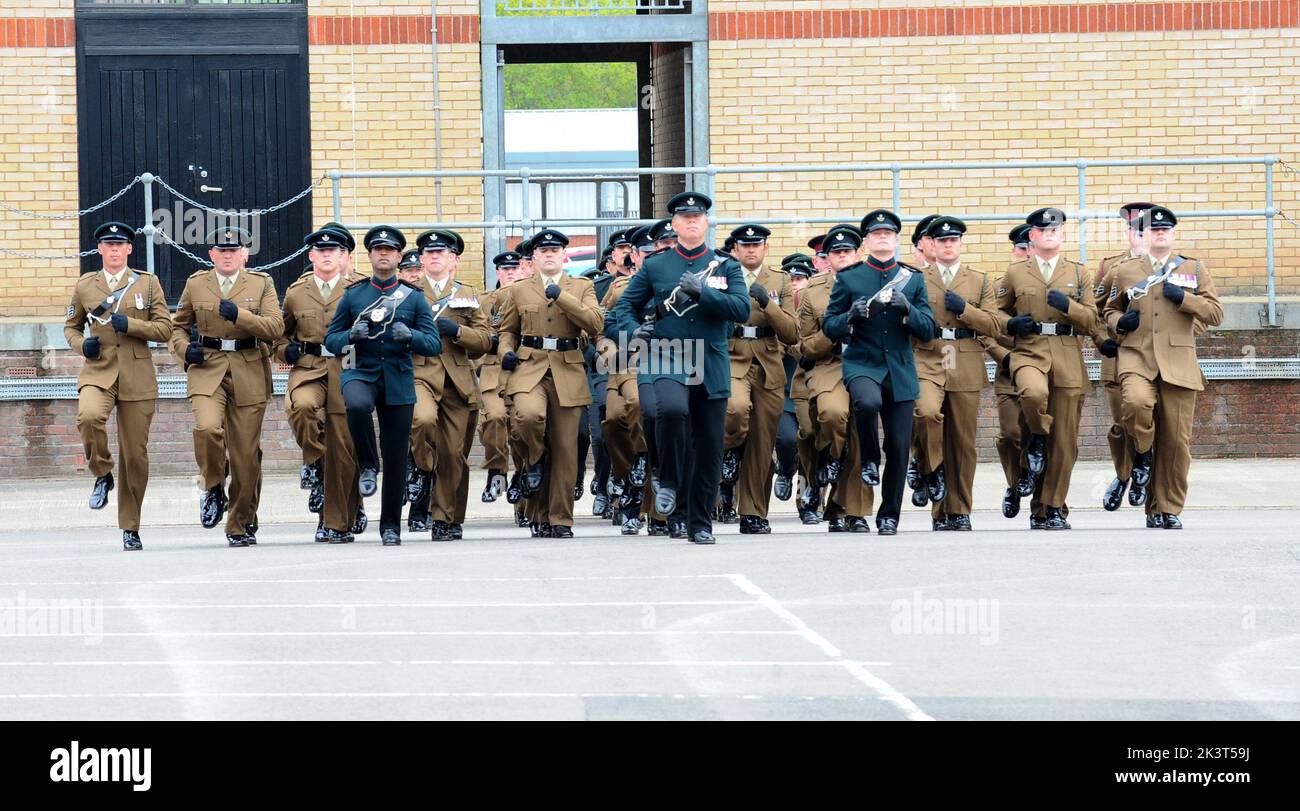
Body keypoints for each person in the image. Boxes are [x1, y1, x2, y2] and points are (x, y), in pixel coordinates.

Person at [608, 192, 750, 544]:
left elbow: (741, 310)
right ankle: (668, 479)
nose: (691, 221)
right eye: (684, 217)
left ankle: (697, 521)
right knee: (671, 410)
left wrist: (704, 293)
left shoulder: (725, 265)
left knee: (708, 444)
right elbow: (623, 308)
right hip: (666, 355)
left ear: (705, 223)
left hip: (710, 359)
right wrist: (631, 331)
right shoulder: (657, 266)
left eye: (697, 216)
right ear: (674, 224)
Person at [1104, 206, 1223, 529]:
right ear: (1143, 234)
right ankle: (1142, 454)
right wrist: (1119, 322)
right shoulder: (1125, 270)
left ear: (1173, 234)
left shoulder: (1193, 268)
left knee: (1175, 442)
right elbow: (1108, 311)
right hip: (1136, 355)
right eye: (1153, 230)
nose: (1159, 233)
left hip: (1179, 362)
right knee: (1135, 403)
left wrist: (1185, 300)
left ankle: (1164, 509)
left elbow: (1215, 313)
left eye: (1165, 230)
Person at [324, 226, 441, 546]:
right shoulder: (353, 295)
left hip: (397, 375)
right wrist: (350, 335)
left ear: (399, 256)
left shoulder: (414, 298)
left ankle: (390, 526)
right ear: (370, 255)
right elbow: (330, 341)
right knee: (357, 405)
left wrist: (412, 337)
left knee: (396, 453)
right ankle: (366, 464)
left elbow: (433, 345)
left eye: (390, 249)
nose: (384, 253)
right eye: (378, 249)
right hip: (358, 369)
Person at [822, 209, 936, 536]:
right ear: (867, 241)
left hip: (899, 369)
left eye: (888, 233)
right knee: (866, 403)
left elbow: (928, 329)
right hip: (862, 363)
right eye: (876, 233)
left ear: (896, 239)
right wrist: (849, 318)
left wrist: (908, 309)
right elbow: (830, 326)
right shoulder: (850, 277)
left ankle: (889, 515)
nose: (882, 237)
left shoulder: (912, 279)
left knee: (900, 447)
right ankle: (870, 458)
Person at [170, 226, 284, 547]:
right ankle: (213, 485)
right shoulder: (196, 284)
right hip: (208, 366)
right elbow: (177, 328)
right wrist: (184, 349)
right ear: (212, 255)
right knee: (207, 428)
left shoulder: (262, 284)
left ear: (245, 254)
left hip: (248, 367)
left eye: (235, 250)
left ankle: (240, 522)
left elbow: (276, 327)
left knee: (246, 456)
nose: (228, 255)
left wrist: (241, 316)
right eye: (222, 250)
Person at [64, 221, 172, 551]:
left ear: (129, 249)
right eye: (108, 244)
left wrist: (133, 325)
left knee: (135, 455)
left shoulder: (147, 283)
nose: (114, 249)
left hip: (137, 375)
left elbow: (165, 329)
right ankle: (102, 472)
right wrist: (83, 346)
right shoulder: (86, 285)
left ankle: (131, 526)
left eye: (120, 244)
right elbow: (71, 327)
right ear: (99, 249)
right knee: (88, 417)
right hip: (99, 371)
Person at [994, 207, 1102, 531]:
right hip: (1030, 350)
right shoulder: (1015, 274)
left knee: (1065, 442)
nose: (1050, 233)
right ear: (1033, 235)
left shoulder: (1080, 273)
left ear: (1063, 234)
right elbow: (993, 318)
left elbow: (1092, 321)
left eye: (1056, 229)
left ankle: (1049, 509)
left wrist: (1068, 306)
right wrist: (1011, 323)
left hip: (1068, 357)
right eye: (1043, 229)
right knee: (1032, 394)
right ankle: (1036, 440)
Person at [495, 228, 604, 538]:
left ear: (564, 255)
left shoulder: (581, 287)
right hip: (530, 367)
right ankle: (533, 460)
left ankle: (557, 519)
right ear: (534, 258)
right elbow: (507, 332)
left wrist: (562, 296)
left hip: (567, 370)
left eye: (555, 250)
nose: (549, 255)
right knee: (528, 419)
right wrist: (505, 352)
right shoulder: (519, 290)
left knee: (566, 449)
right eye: (543, 251)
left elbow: (596, 323)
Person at [277, 225, 367, 543]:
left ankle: (334, 523)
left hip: (349, 366)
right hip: (309, 367)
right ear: (311, 256)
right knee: (300, 406)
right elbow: (282, 333)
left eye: (334, 251)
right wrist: (283, 349)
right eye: (321, 251)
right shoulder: (296, 291)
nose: (327, 255)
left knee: (342, 447)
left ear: (344, 256)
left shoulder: (361, 290)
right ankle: (313, 461)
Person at [910, 216, 1002, 531]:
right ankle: (928, 469)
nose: (948, 245)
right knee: (925, 413)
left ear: (960, 245)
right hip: (929, 355)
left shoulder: (979, 279)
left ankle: (956, 510)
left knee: (962, 442)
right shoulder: (916, 279)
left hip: (963, 357)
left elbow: (994, 325)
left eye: (953, 240)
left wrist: (965, 309)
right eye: (941, 241)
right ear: (931, 245)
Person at [408, 228, 492, 540]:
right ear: (420, 259)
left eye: (440, 252)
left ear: (453, 259)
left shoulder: (466, 294)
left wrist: (458, 332)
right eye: (429, 253)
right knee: (422, 419)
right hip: (420, 373)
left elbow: (484, 340)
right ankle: (421, 466)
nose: (434, 257)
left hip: (458, 381)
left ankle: (446, 518)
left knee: (454, 454)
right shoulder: (408, 292)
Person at [721, 223, 798, 534]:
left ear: (766, 248)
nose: (751, 249)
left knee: (763, 442)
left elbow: (792, 333)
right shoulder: (722, 276)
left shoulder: (780, 280)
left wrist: (767, 303)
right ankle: (729, 448)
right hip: (731, 357)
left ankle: (753, 513)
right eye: (744, 245)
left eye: (757, 245)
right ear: (736, 249)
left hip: (767, 363)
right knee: (734, 409)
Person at [1095, 202, 1152, 511]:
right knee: (1122, 423)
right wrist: (1107, 338)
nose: (1139, 236)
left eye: (1145, 230)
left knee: (1148, 420)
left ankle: (1148, 483)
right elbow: (1095, 309)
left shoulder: (1172, 265)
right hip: (1119, 356)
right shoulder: (1111, 267)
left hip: (1157, 359)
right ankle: (1123, 474)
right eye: (1134, 229)